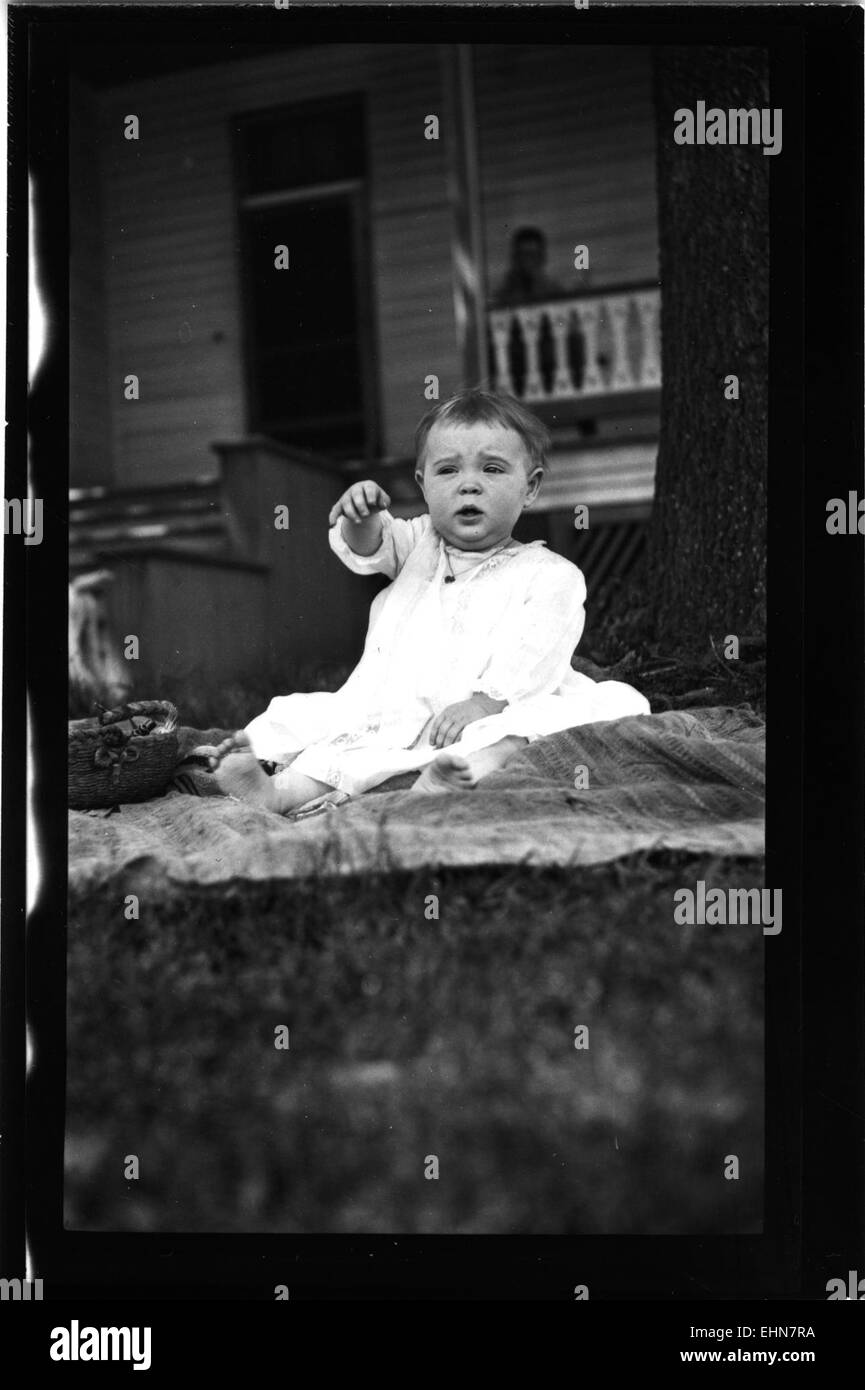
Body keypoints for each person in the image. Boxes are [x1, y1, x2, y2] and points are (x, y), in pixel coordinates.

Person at [209, 389, 649, 816]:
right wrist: (361, 517)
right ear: (422, 484)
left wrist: (485, 703)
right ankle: (277, 793)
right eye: (448, 471)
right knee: (338, 735)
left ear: (529, 488)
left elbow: (534, 652)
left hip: (489, 712)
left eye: (493, 470)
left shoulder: (550, 573)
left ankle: (451, 778)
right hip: (397, 706)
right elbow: (370, 549)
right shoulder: (420, 543)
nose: (469, 486)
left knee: (554, 720)